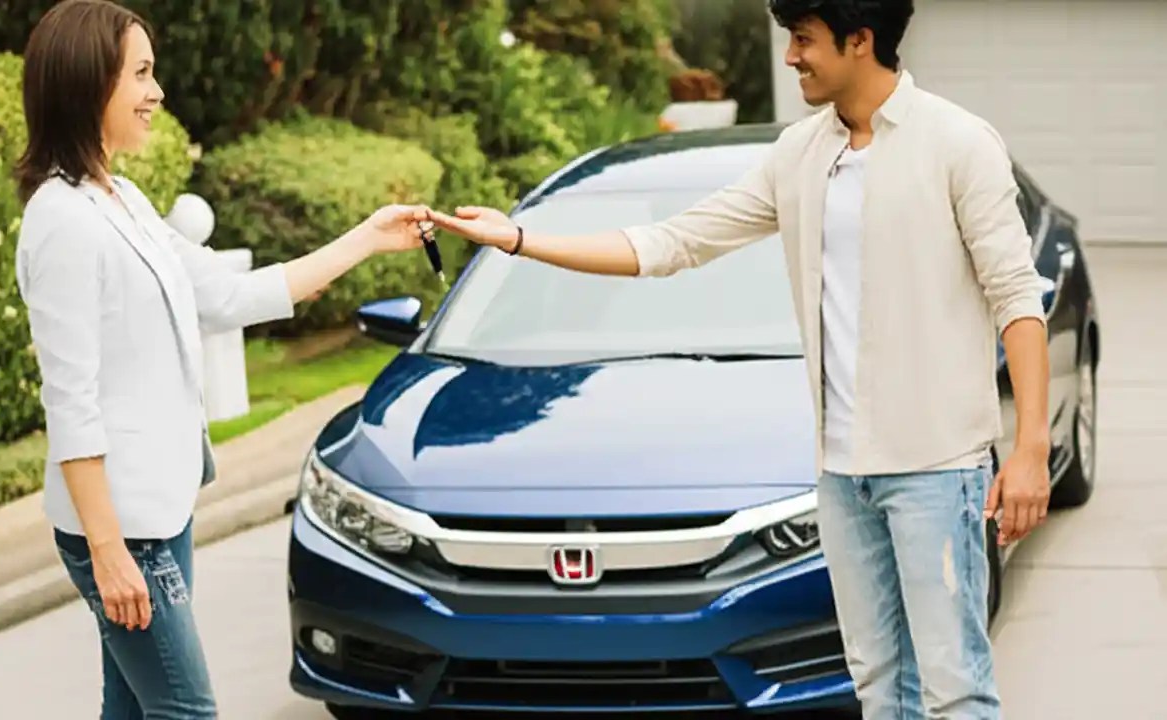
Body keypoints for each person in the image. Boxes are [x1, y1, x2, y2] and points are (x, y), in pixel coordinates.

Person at [426, 0, 1050, 717]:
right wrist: (517, 239)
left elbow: (1016, 297)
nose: (790, 57)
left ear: (860, 40)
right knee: (880, 684)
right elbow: (671, 243)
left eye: (804, 39)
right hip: (841, 473)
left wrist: (1030, 448)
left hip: (937, 467)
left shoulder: (958, 143)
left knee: (954, 687)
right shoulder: (800, 153)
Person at [12, 1, 435, 717]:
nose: (157, 92)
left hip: (159, 508)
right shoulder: (62, 221)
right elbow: (70, 399)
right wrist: (108, 551)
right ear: (89, 83)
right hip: (124, 528)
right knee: (186, 710)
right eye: (140, 74)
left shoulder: (121, 199)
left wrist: (368, 238)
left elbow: (231, 295)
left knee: (135, 707)